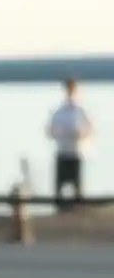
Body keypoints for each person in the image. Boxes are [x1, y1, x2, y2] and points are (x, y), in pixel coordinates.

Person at [47, 78, 94, 208]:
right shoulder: (59, 111)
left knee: (77, 187)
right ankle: (60, 211)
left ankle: (78, 210)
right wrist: (60, 133)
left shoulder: (81, 111)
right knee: (60, 187)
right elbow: (50, 131)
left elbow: (90, 129)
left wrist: (80, 134)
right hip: (63, 151)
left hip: (76, 152)